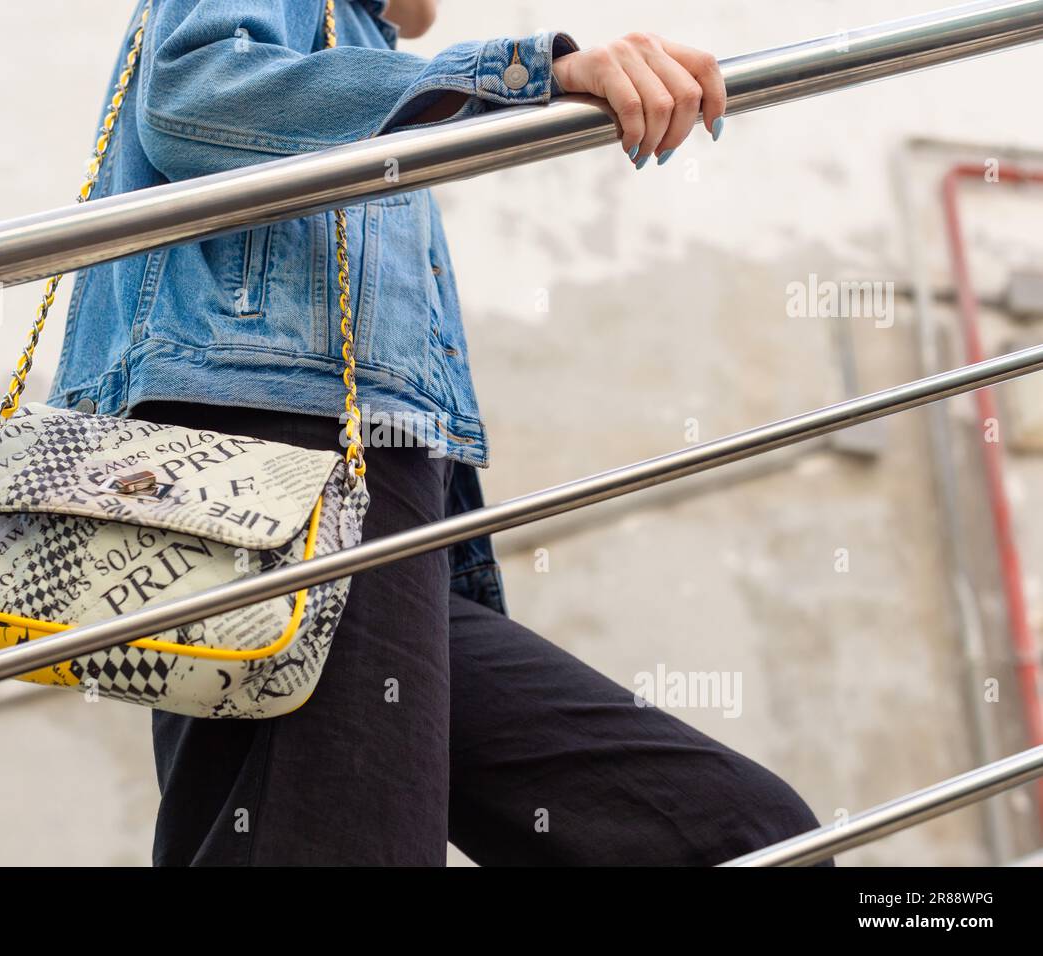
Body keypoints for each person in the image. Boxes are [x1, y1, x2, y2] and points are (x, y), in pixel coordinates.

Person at [48, 0, 826, 866]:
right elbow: (197, 90)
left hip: (393, 504)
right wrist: (533, 71)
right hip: (278, 479)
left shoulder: (367, 60)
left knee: (743, 836)